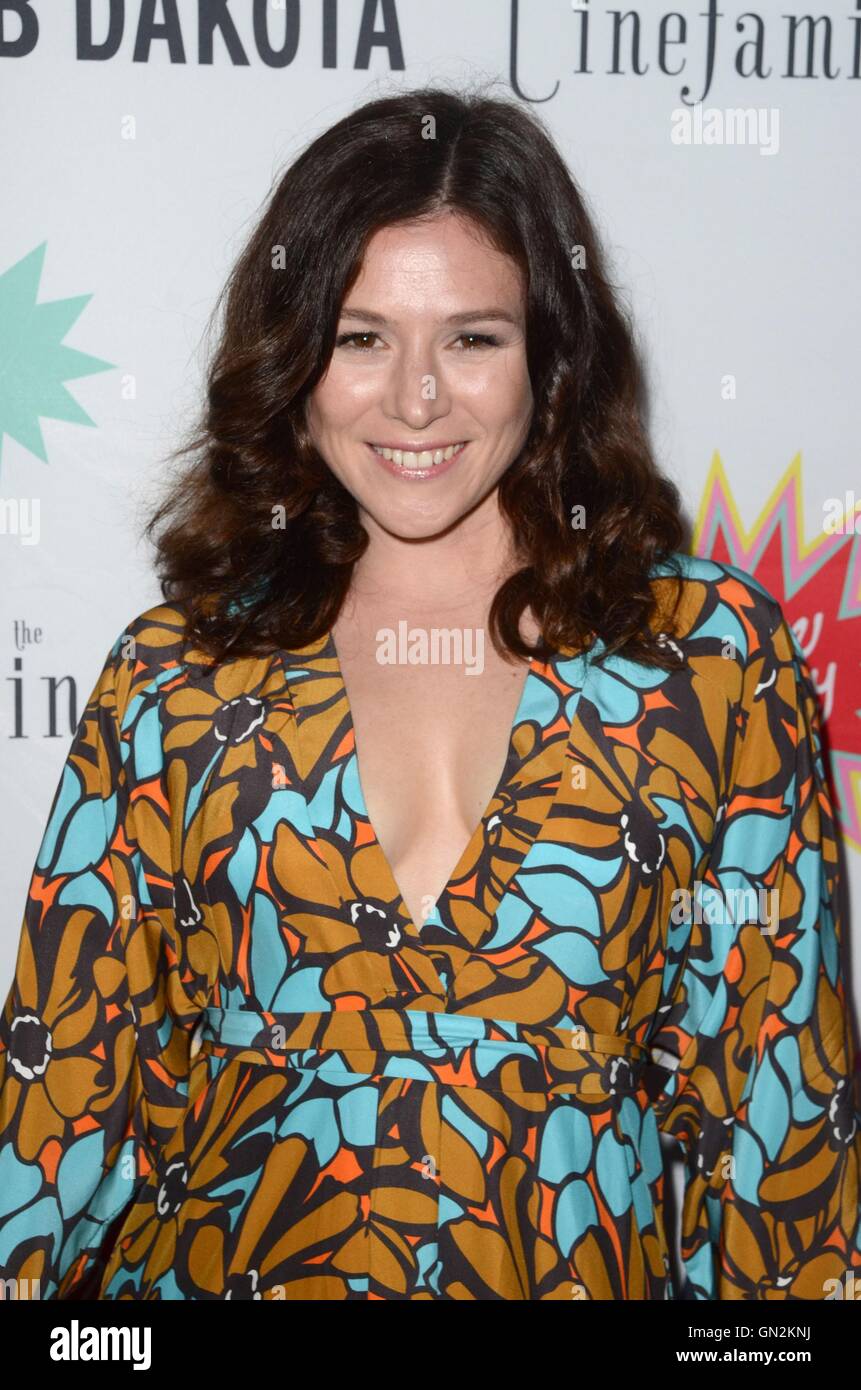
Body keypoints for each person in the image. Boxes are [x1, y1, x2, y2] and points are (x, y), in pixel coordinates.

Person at [1, 84, 858, 1302]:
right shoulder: (178, 678)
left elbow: (778, 1140)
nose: (415, 399)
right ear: (295, 358)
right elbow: (58, 1117)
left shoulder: (706, 663)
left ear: (551, 358)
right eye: (361, 338)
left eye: (472, 337)